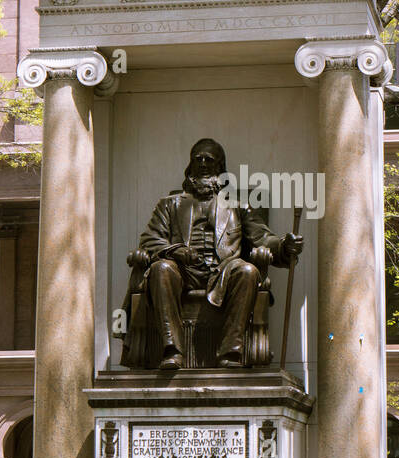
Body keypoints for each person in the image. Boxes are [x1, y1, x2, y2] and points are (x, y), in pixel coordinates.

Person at [126, 138, 302, 370]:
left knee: (248, 271)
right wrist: (177, 252)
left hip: (223, 273)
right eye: (197, 159)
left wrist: (283, 246)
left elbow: (263, 238)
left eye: (209, 159)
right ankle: (172, 351)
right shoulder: (169, 205)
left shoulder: (238, 207)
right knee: (161, 268)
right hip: (183, 272)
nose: (203, 164)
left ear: (220, 167)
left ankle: (230, 352)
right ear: (190, 166)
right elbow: (149, 240)